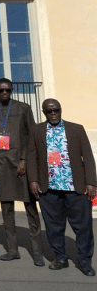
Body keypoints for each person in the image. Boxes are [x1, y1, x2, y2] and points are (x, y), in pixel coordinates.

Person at [28, 99, 97, 276]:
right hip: (49, 188)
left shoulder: (76, 129)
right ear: (43, 112)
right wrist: (33, 180)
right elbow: (31, 156)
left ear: (60, 110)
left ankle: (84, 261)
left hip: (75, 187)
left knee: (83, 227)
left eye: (56, 110)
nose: (53, 114)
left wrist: (91, 182)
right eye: (49, 111)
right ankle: (60, 258)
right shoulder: (36, 130)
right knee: (53, 226)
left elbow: (88, 157)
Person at [0, 78, 44, 266]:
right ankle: (12, 249)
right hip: (1, 165)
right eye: (1, 90)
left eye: (7, 90)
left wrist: (25, 159)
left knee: (31, 208)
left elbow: (32, 135)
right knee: (7, 209)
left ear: (12, 90)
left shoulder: (23, 108)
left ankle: (37, 251)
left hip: (20, 164)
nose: (4, 93)